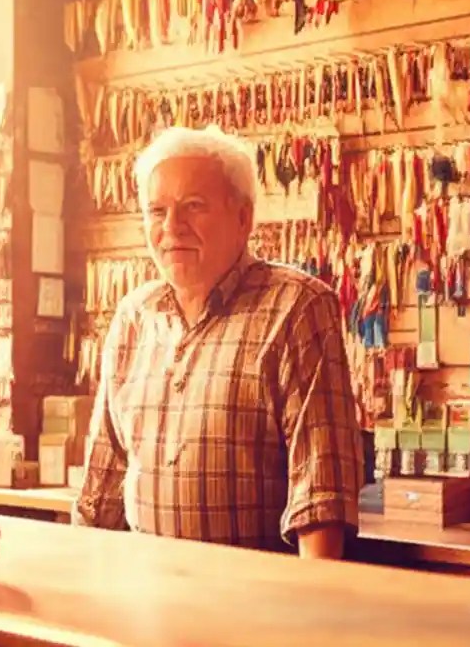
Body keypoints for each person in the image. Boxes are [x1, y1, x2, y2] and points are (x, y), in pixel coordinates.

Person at [73, 126, 363, 559]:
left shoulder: (297, 308)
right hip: (144, 601)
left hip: (250, 610)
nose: (172, 227)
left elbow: (320, 500)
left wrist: (309, 620)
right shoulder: (134, 317)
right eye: (156, 211)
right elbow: (101, 492)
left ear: (243, 218)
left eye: (193, 206)